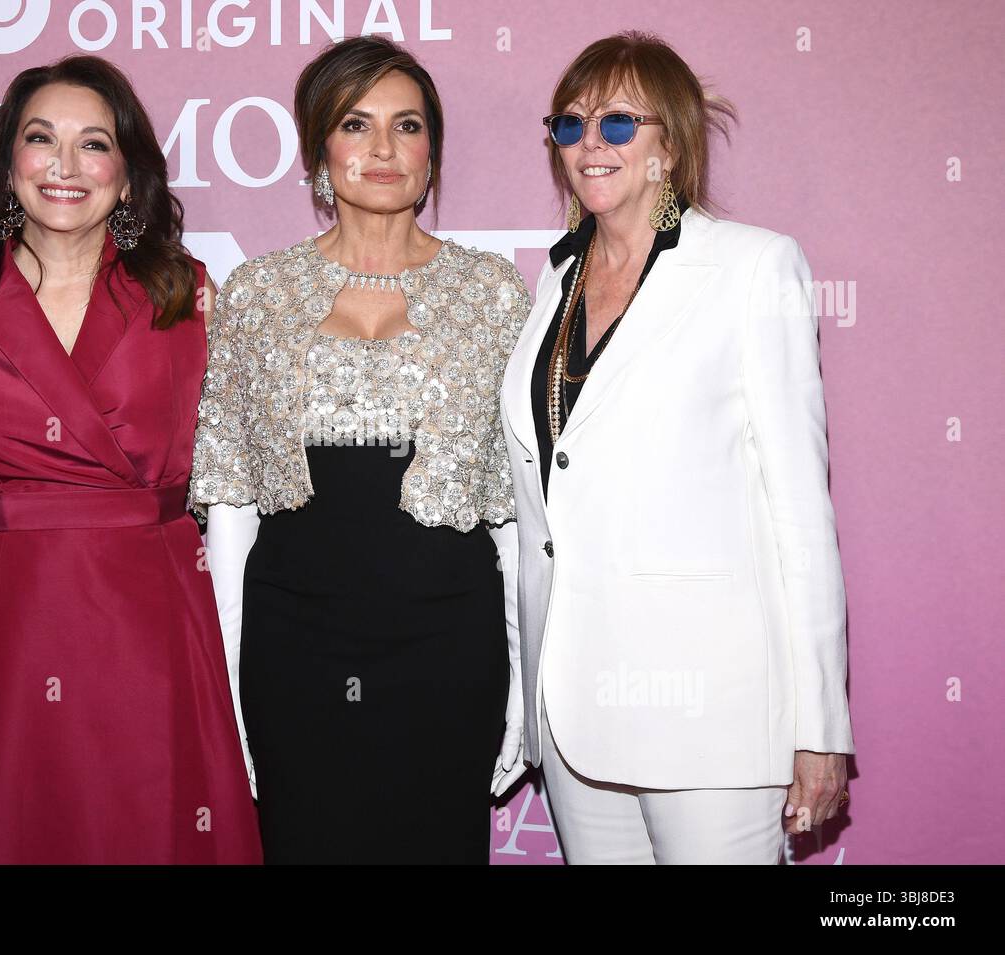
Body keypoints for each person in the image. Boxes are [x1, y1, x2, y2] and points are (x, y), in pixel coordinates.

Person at [0, 54, 262, 864]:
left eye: (94, 144)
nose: (66, 167)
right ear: (8, 164)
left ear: (127, 171)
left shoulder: (192, 297)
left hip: (150, 629)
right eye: (41, 140)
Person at [498, 30, 855, 864]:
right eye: (571, 124)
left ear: (672, 144)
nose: (591, 144)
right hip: (577, 703)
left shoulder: (750, 267)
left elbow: (800, 509)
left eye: (620, 123)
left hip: (713, 709)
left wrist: (820, 724)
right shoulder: (555, 281)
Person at [189, 36, 531, 863]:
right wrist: (233, 683)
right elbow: (232, 504)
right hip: (295, 648)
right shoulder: (258, 295)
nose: (382, 149)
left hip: (450, 650)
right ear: (318, 152)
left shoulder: (491, 292)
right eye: (355, 124)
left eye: (407, 126)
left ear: (431, 155)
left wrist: (525, 674)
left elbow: (515, 502)